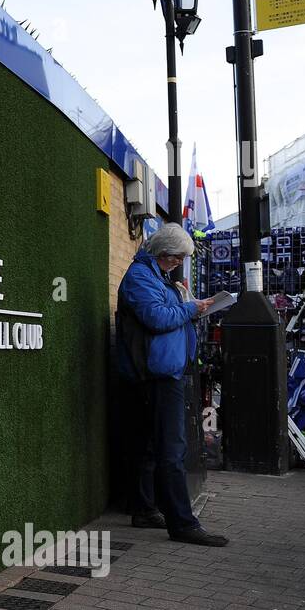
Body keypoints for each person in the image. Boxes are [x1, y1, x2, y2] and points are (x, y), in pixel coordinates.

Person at [116, 223, 229, 547]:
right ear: (164, 254)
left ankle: (145, 508)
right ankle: (182, 523)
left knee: (150, 446)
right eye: (177, 258)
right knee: (171, 449)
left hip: (158, 371)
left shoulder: (154, 277)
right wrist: (190, 307)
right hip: (158, 374)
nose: (179, 263)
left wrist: (188, 304)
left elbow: (165, 315)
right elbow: (158, 319)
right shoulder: (141, 277)